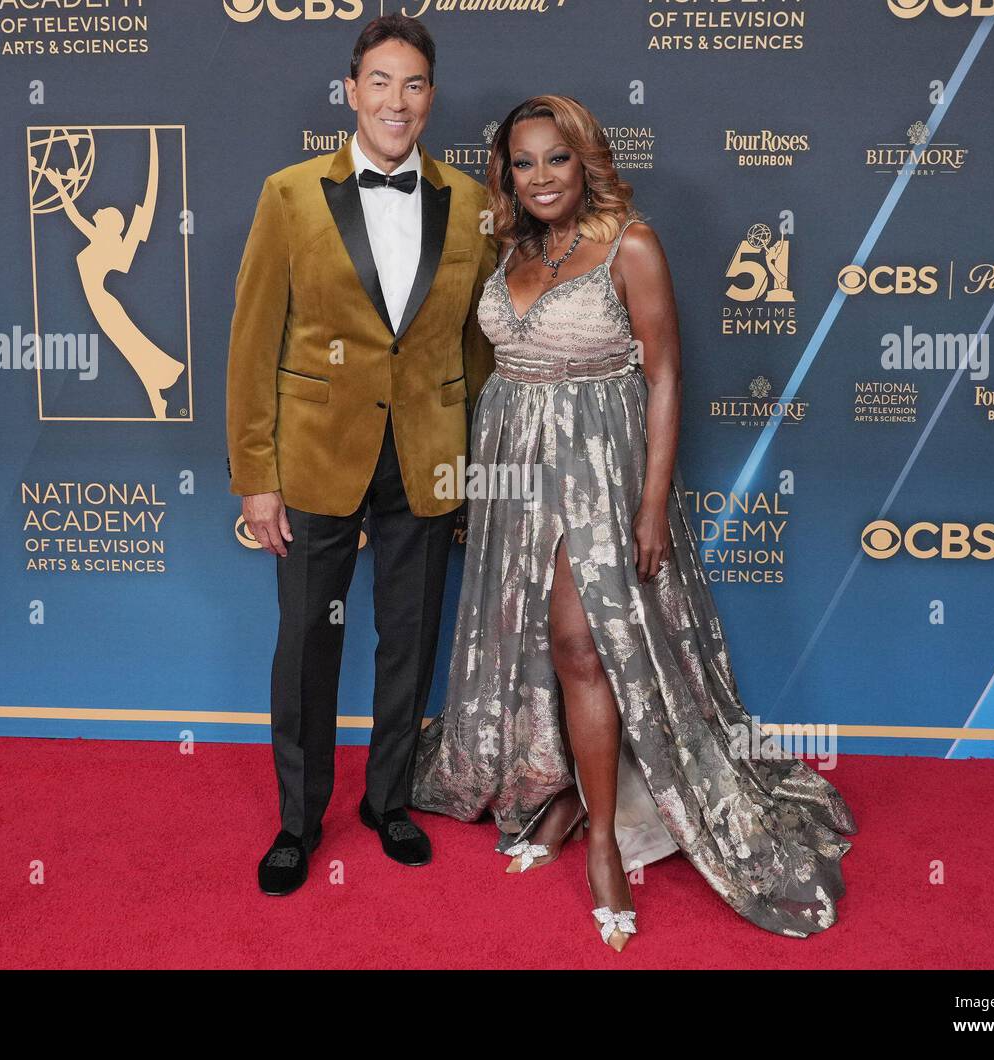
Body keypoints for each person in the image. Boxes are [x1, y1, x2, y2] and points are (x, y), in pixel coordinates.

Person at [410, 95, 857, 950]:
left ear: (588, 162)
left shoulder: (632, 246)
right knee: (532, 645)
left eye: (557, 160)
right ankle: (573, 794)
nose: (540, 177)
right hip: (514, 471)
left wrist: (652, 504)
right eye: (523, 162)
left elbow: (663, 376)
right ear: (505, 172)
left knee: (583, 645)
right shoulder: (506, 248)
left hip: (600, 476)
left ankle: (607, 844)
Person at [226, 14, 496, 896]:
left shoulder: (469, 204)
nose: (396, 100)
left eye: (413, 84)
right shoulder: (290, 195)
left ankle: (390, 803)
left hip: (427, 460)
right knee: (306, 642)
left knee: (409, 642)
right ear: (350, 91)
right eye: (380, 81)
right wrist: (256, 479)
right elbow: (252, 343)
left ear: (431, 98)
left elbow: (479, 350)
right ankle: (299, 821)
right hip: (314, 457)